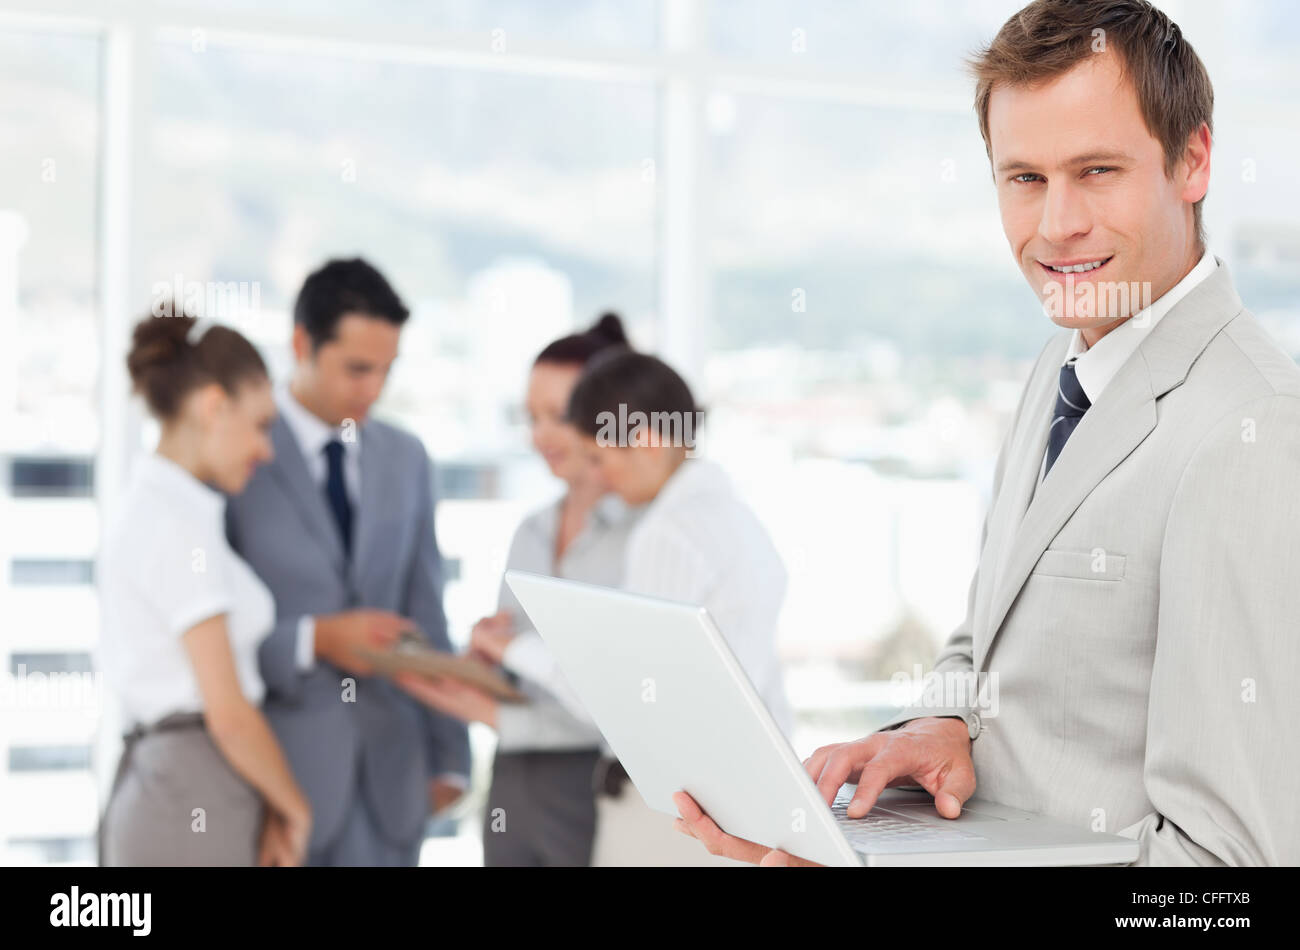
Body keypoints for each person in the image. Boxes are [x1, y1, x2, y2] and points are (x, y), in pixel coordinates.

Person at [676, 0, 1300, 867]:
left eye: (1097, 171)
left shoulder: (1254, 427)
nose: (1056, 226)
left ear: (1191, 161)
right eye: (1026, 179)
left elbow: (1228, 877)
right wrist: (940, 725)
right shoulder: (1062, 366)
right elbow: (988, 635)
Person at [224, 258, 470, 866]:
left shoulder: (406, 458)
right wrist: (317, 640)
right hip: (278, 783)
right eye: (357, 369)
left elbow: (425, 610)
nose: (374, 390)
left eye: (387, 371)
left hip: (393, 783)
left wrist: (452, 761)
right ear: (302, 344)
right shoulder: (239, 455)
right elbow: (214, 638)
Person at [397, 313, 637, 867]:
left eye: (560, 415)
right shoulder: (530, 531)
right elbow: (513, 669)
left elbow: (623, 700)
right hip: (512, 782)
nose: (541, 436)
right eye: (532, 418)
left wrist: (495, 714)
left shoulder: (645, 539)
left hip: (598, 783)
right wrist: (464, 669)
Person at [98, 312, 311, 866]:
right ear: (213, 406)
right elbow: (228, 711)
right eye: (262, 425)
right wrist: (295, 809)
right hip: (190, 789)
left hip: (190, 788)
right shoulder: (175, 522)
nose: (267, 451)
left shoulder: (172, 509)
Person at [567, 349, 793, 865]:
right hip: (743, 802)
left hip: (677, 815)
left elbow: (636, 694)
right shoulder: (738, 519)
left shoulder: (669, 533)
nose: (598, 478)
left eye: (600, 457)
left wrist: (519, 648)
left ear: (645, 440)